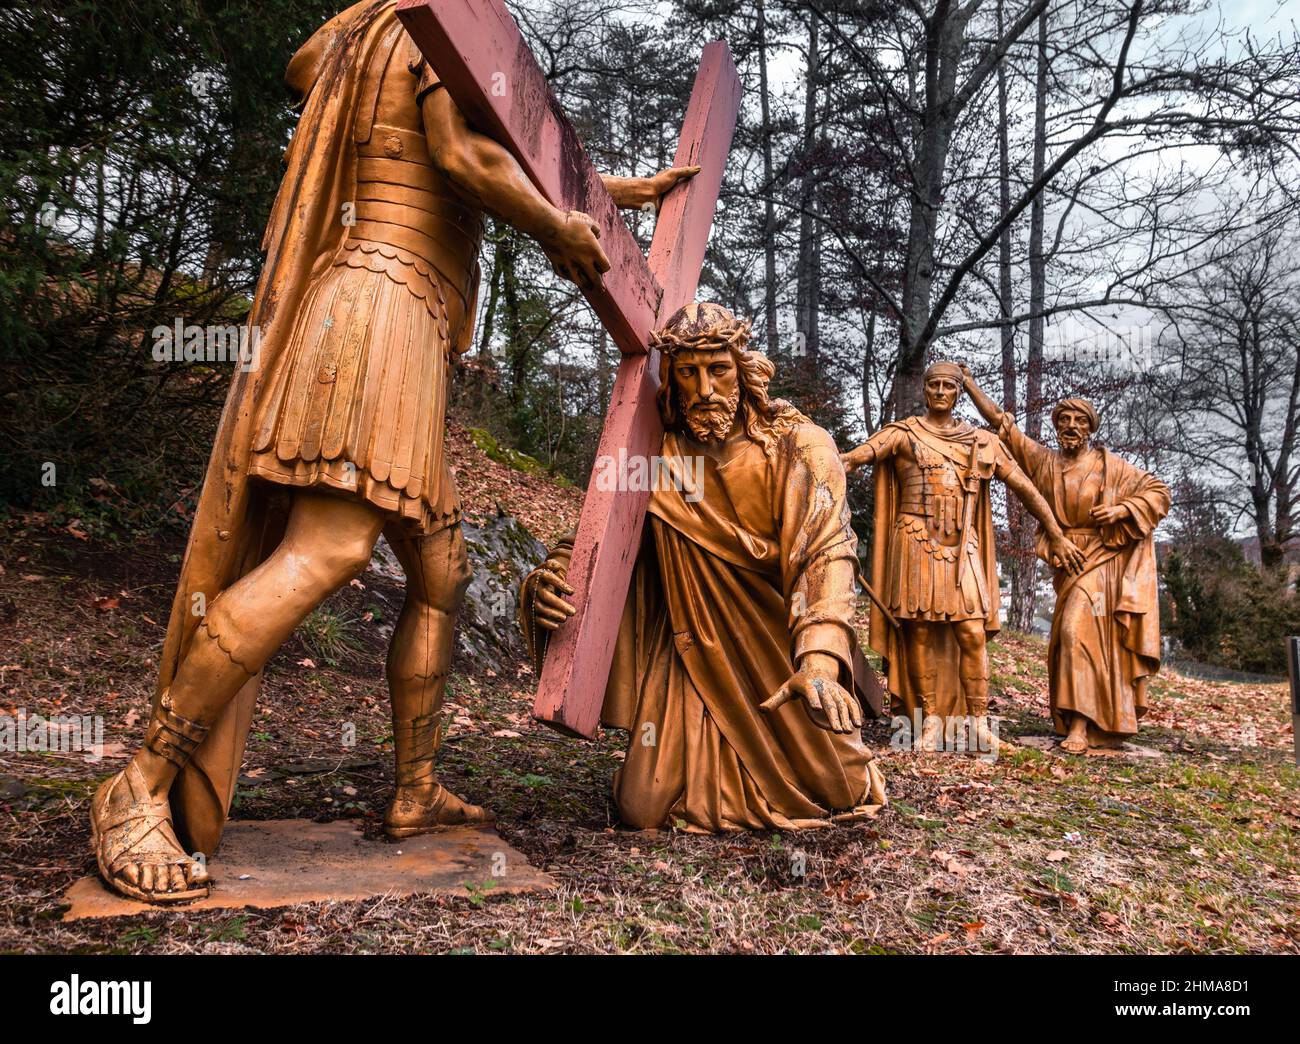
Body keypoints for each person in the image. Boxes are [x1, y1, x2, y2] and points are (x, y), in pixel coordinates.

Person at [91, 0, 697, 904]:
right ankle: (134, 786)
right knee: (328, 549)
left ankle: (414, 791)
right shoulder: (426, 27)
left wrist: (608, 198)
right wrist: (553, 227)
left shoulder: (375, 28)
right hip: (381, 305)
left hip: (400, 318)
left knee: (443, 572)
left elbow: (319, 69)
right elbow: (460, 155)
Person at [521, 303, 887, 832]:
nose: (706, 388)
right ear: (670, 379)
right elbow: (597, 535)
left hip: (777, 646)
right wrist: (553, 578)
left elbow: (826, 554)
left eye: (719, 369)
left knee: (840, 787)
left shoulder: (799, 446)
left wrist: (820, 665)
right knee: (640, 808)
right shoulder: (655, 455)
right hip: (688, 645)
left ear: (744, 369)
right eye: (688, 372)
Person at [841, 362, 1085, 753]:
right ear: (924, 390)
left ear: (958, 393)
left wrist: (1055, 533)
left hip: (962, 546)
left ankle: (978, 721)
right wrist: (838, 462)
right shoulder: (905, 433)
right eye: (933, 385)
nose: (940, 391)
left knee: (971, 632)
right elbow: (861, 455)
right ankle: (931, 721)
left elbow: (1023, 486)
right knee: (918, 632)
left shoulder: (981, 442)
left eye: (948, 386)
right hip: (916, 540)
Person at [962, 368, 1170, 753]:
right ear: (1057, 426)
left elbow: (1158, 492)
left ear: (1090, 427)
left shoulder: (1113, 467)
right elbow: (1003, 427)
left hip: (1105, 561)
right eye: (1064, 420)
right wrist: (969, 385)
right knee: (1067, 641)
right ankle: (1097, 721)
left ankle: (1079, 726)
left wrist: (1123, 510)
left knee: (1076, 633)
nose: (1071, 426)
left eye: (1079, 420)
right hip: (1068, 562)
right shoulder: (1046, 463)